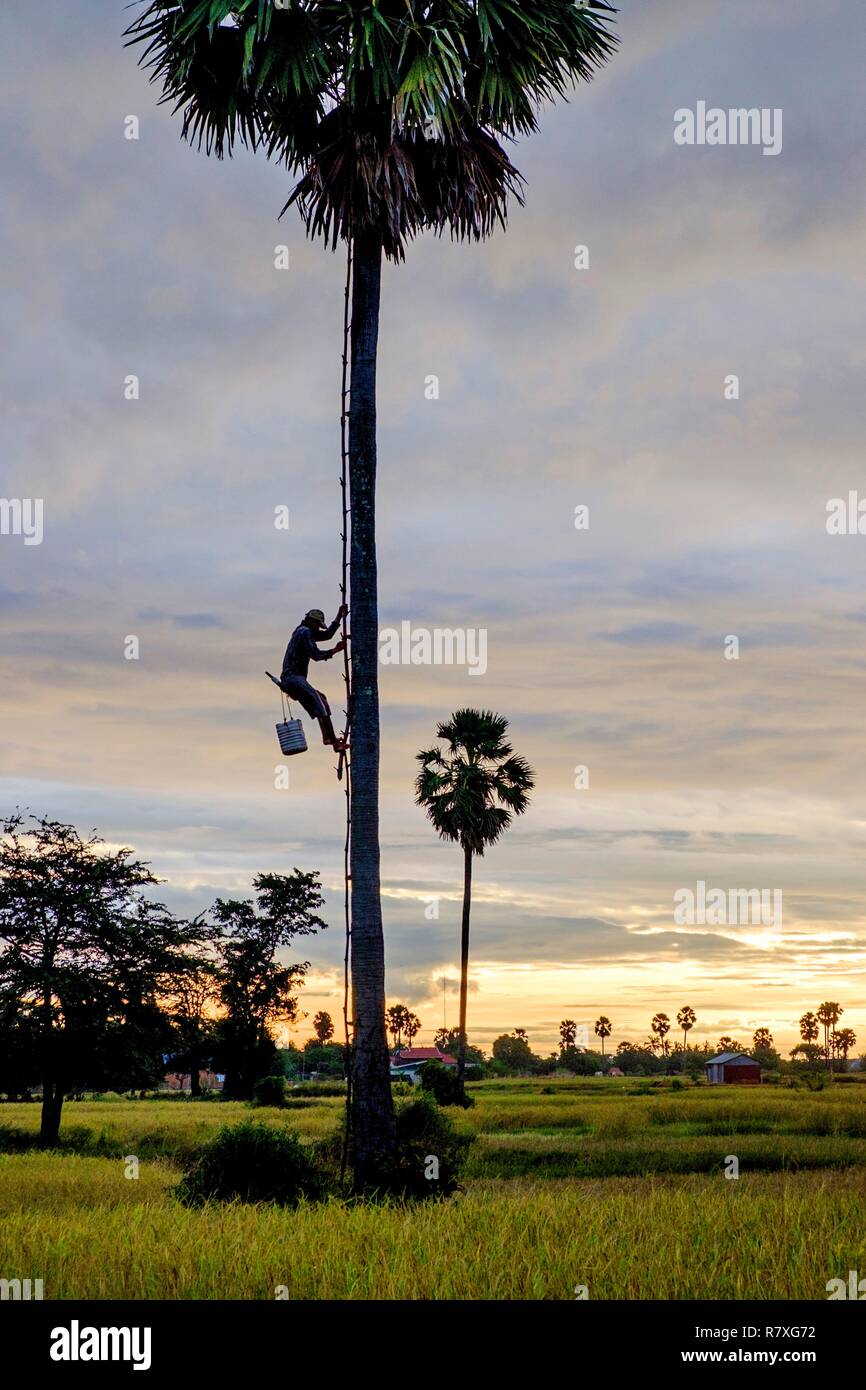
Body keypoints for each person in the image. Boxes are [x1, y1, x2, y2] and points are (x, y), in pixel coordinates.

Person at [280, 606, 349, 751]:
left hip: (293, 679)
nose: (319, 629)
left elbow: (327, 635)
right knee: (319, 704)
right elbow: (316, 655)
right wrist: (335, 650)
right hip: (293, 678)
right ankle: (336, 744)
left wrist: (339, 616)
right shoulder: (305, 632)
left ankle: (327, 737)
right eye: (318, 625)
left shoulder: (304, 631)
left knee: (321, 698)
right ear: (312, 622)